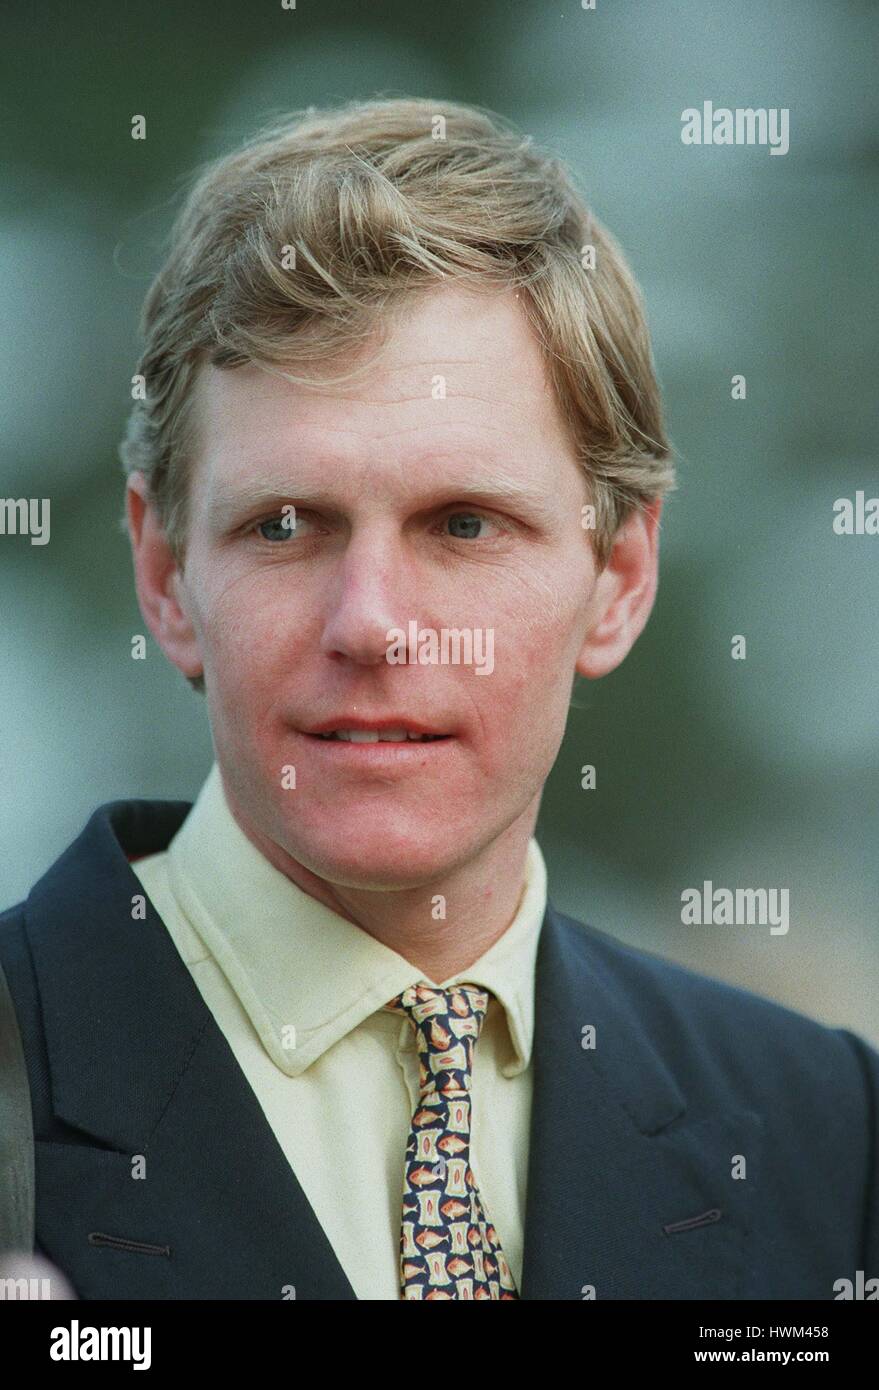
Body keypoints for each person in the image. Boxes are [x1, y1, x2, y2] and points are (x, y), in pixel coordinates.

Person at [1, 97, 876, 1301]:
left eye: (464, 523)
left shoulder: (828, 1138)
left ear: (620, 577)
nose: (372, 622)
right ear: (164, 573)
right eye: (285, 525)